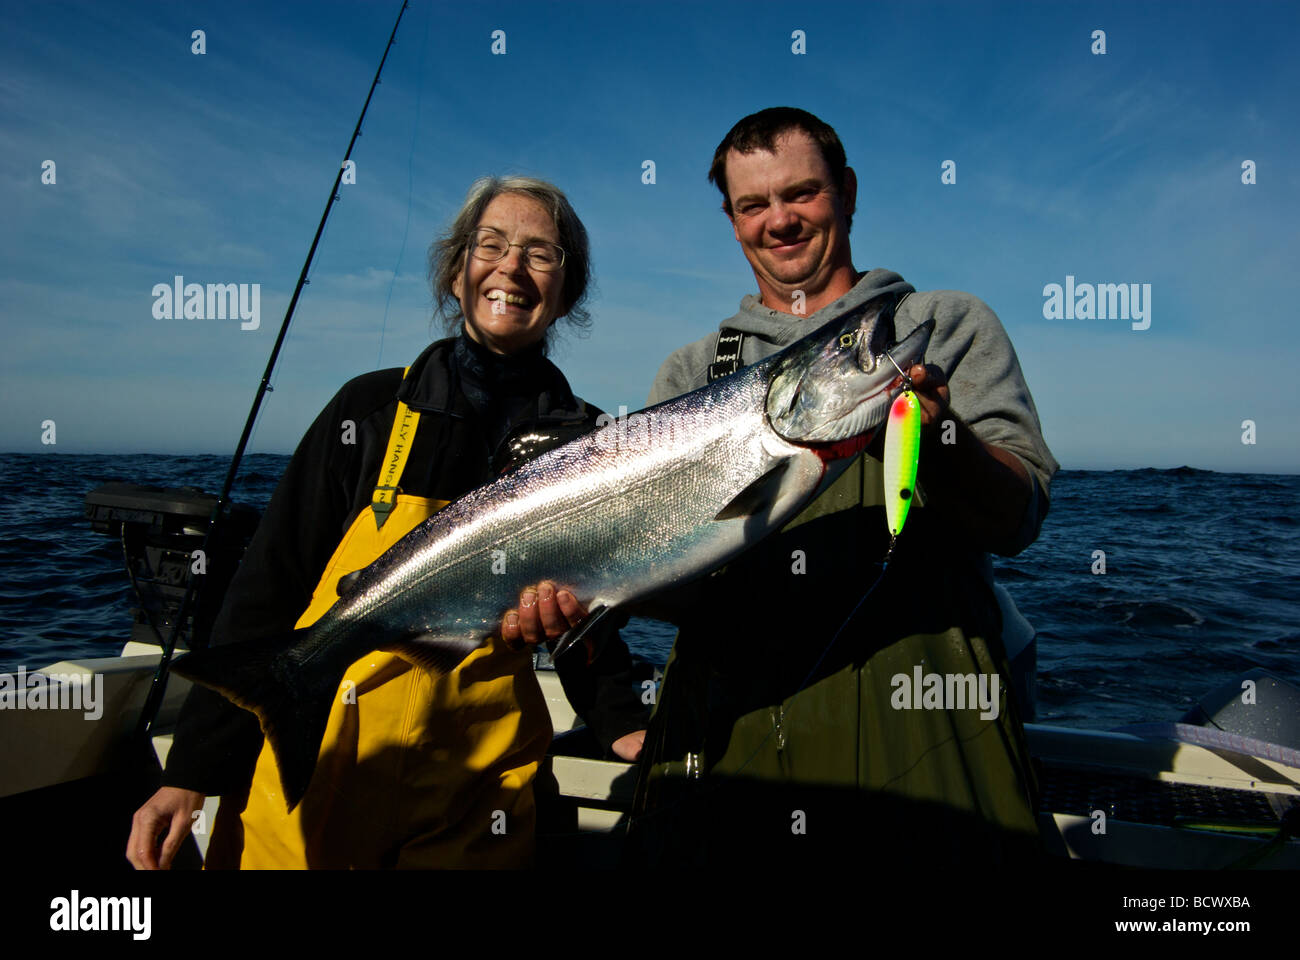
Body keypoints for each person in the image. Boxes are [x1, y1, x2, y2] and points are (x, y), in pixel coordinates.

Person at [128, 176, 648, 870]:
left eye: (541, 254)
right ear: (455, 268)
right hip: (316, 779)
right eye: (489, 244)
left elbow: (593, 613)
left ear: (568, 289)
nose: (511, 268)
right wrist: (192, 768)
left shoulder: (587, 443)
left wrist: (626, 723)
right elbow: (269, 583)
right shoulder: (368, 410)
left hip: (477, 794)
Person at [626, 108, 1060, 866]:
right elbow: (681, 586)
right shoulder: (692, 375)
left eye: (802, 194)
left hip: (925, 732)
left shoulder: (943, 324)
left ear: (848, 192)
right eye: (754, 205)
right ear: (732, 221)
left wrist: (942, 439)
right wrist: (587, 597)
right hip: (734, 741)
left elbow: (1018, 517)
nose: (780, 221)